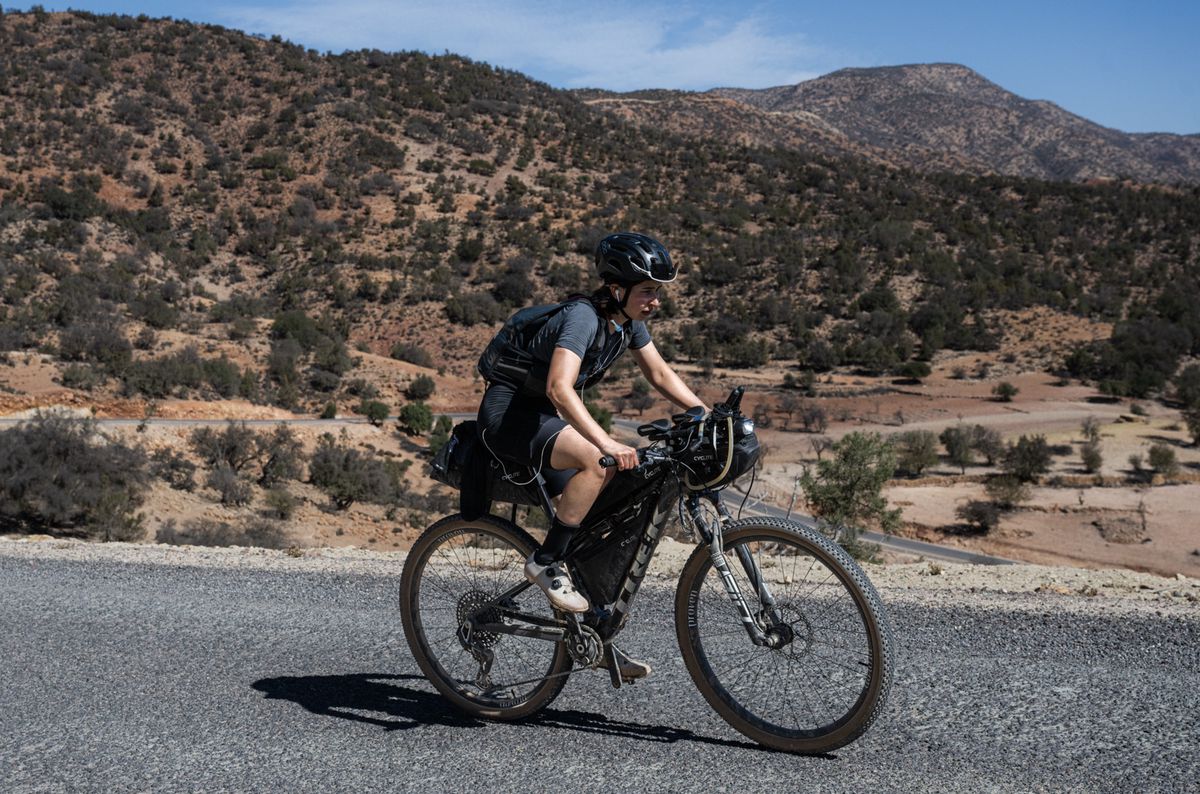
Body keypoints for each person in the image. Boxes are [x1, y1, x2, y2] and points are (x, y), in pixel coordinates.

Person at [476, 232, 706, 680]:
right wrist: (605, 443)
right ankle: (544, 563)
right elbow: (559, 388)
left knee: (610, 507)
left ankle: (591, 633)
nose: (656, 300)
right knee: (596, 463)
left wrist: (704, 414)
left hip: (544, 418)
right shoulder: (582, 318)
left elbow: (659, 372)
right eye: (647, 291)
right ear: (617, 289)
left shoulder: (627, 322)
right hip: (510, 417)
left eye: (657, 291)